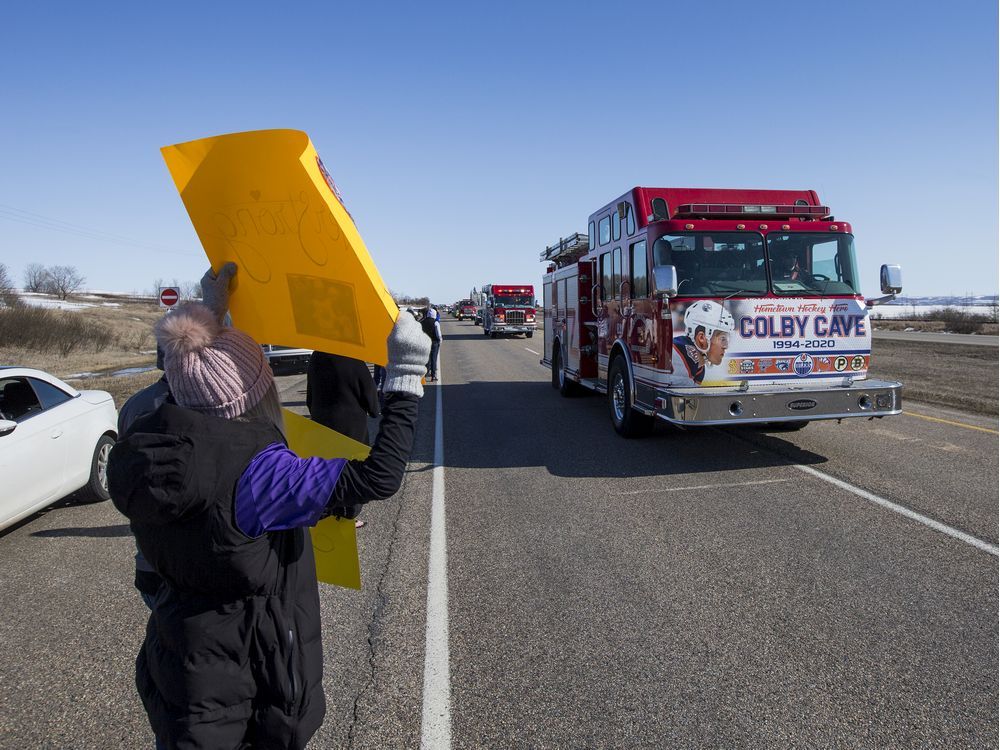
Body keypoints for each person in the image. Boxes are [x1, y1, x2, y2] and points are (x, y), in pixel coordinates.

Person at [108, 291, 430, 749]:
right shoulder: (259, 474)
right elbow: (380, 476)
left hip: (179, 659)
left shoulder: (143, 442)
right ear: (254, 395)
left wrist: (206, 320)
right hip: (251, 677)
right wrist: (406, 375)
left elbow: (183, 380)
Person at [118, 263, 236, 611]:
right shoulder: (209, 409)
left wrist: (209, 310)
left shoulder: (135, 406)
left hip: (151, 560)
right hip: (201, 566)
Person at [306, 351, 380, 444]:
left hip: (322, 427)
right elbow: (370, 395)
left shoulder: (316, 357)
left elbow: (310, 398)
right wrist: (374, 410)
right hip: (352, 432)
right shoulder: (354, 359)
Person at [671, 300, 734, 385]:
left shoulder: (699, 367)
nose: (725, 346)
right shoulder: (680, 356)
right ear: (702, 338)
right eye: (722, 339)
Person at [420, 305, 442, 381]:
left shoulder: (422, 322)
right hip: (434, 342)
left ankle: (424, 374)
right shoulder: (436, 323)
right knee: (433, 358)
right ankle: (433, 376)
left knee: (426, 359)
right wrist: (440, 340)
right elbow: (438, 334)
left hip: (425, 342)